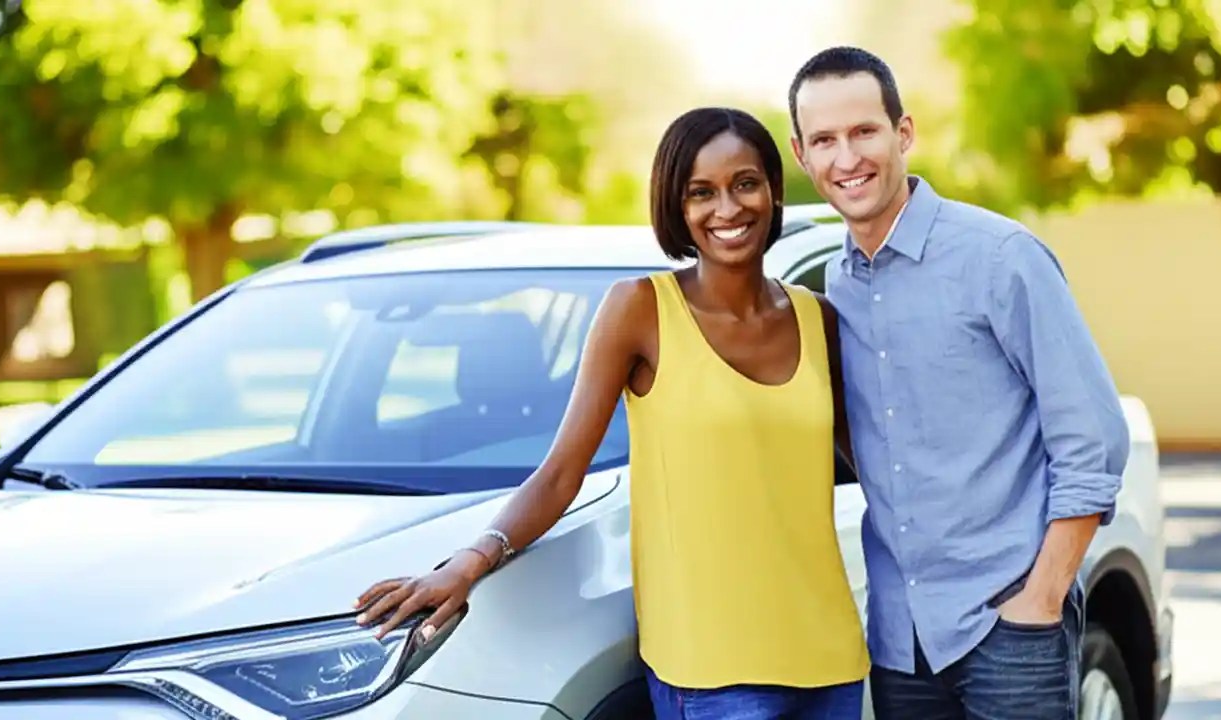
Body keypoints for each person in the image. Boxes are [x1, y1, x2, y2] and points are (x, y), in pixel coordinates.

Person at [353, 106, 870, 719]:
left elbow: (876, 466)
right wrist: (469, 562)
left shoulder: (820, 318)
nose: (727, 209)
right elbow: (560, 474)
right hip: (711, 671)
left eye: (745, 184)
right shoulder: (641, 310)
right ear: (676, 208)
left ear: (775, 190)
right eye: (701, 193)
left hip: (831, 657)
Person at [786, 46, 1130, 719]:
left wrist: (1042, 597)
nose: (847, 158)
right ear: (802, 156)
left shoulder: (1000, 258)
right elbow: (873, 432)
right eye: (825, 140)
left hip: (1010, 623)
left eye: (864, 132)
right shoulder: (839, 281)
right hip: (901, 636)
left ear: (903, 133)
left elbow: (1093, 436)